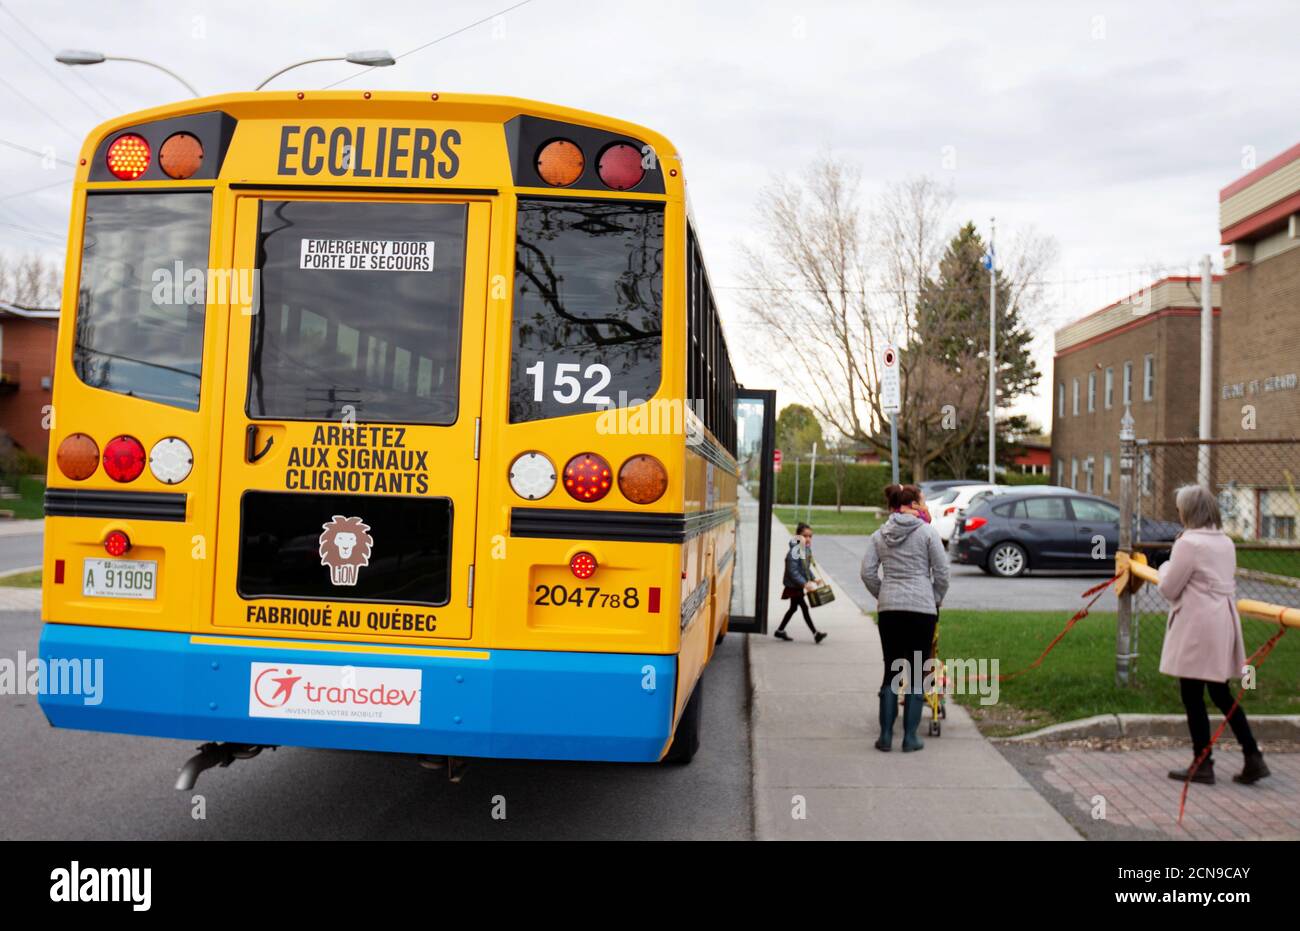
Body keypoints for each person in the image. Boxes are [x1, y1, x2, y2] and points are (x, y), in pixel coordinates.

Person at [1159, 484, 1269, 785]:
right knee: (1221, 692)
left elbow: (1169, 588)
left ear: (1189, 511)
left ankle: (1202, 761)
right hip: (1222, 621)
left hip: (1196, 624)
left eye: (1180, 507)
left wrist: (1165, 564)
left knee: (1192, 694)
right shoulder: (1225, 542)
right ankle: (1252, 755)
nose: (1178, 512)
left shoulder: (1188, 543)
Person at [860, 484, 949, 752]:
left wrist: (883, 593)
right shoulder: (928, 533)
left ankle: (886, 736)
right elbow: (942, 573)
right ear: (914, 504)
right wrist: (934, 598)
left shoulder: (879, 535)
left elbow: (867, 573)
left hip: (890, 610)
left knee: (891, 671)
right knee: (917, 672)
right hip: (922, 610)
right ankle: (910, 737)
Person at [775, 522, 828, 644]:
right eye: (805, 536)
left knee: (793, 608)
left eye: (810, 536)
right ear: (797, 537)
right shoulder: (795, 551)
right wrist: (804, 584)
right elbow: (792, 571)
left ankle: (780, 630)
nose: (808, 538)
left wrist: (814, 578)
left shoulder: (805, 549)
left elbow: (805, 568)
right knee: (804, 608)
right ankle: (816, 634)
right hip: (793, 586)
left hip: (798, 585)